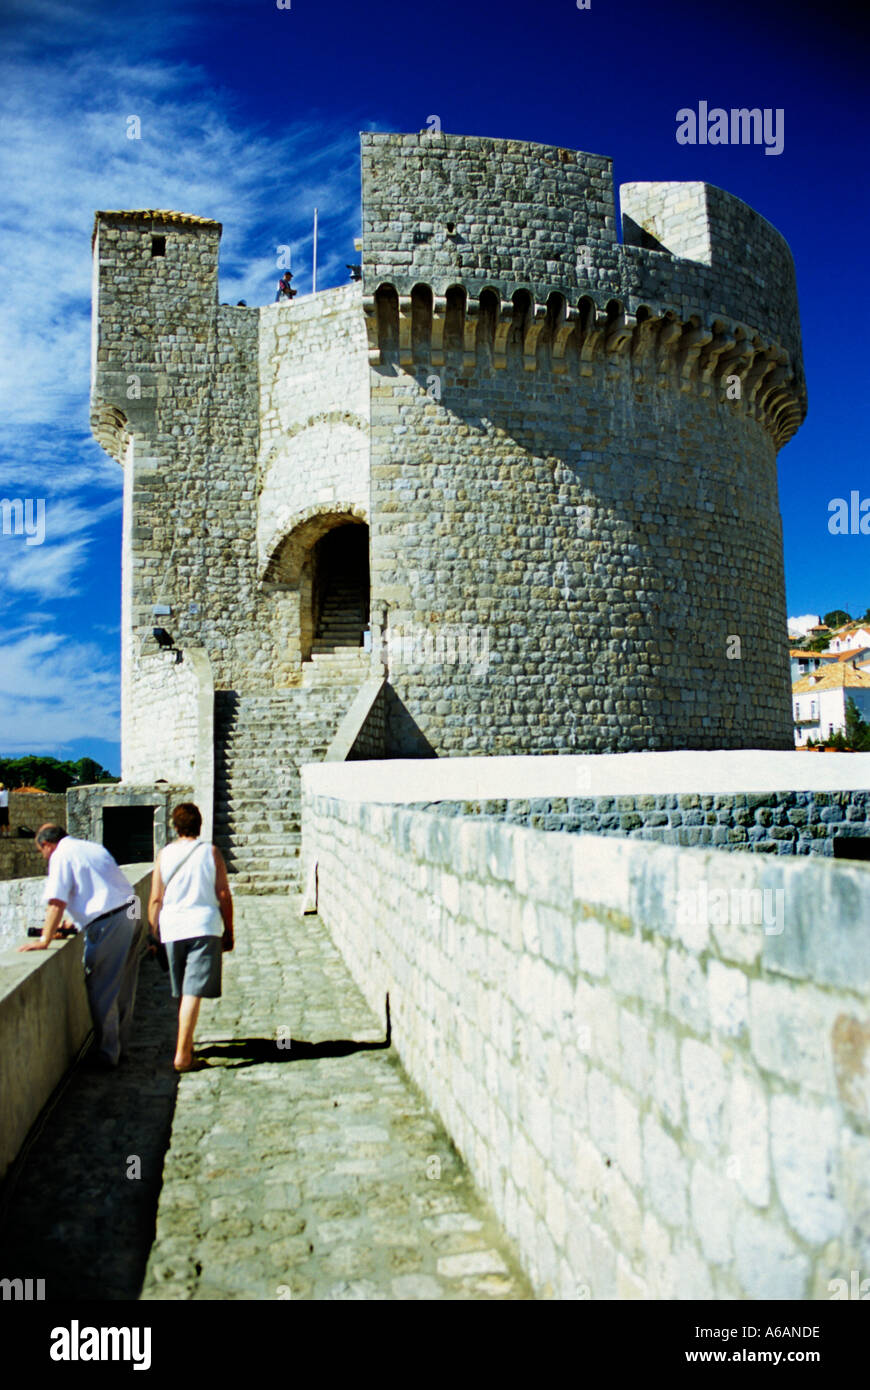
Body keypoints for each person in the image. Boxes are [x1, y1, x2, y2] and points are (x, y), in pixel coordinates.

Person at [18, 825, 143, 1070]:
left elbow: (56, 901)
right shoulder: (91, 848)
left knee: (102, 987)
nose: (43, 857)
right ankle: (122, 1046)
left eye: (41, 851)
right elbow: (100, 890)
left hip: (112, 921)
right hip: (133, 909)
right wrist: (74, 923)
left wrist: (45, 940)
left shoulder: (61, 856)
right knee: (125, 984)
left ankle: (108, 1054)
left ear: (47, 845)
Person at [148, 803, 234, 1072]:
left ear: (175, 827)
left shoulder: (164, 855)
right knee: (192, 990)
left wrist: (153, 933)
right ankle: (183, 1055)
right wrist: (229, 929)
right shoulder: (210, 852)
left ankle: (186, 1045)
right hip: (203, 926)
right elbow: (223, 893)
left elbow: (155, 898)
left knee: (183, 991)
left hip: (172, 928)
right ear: (199, 825)